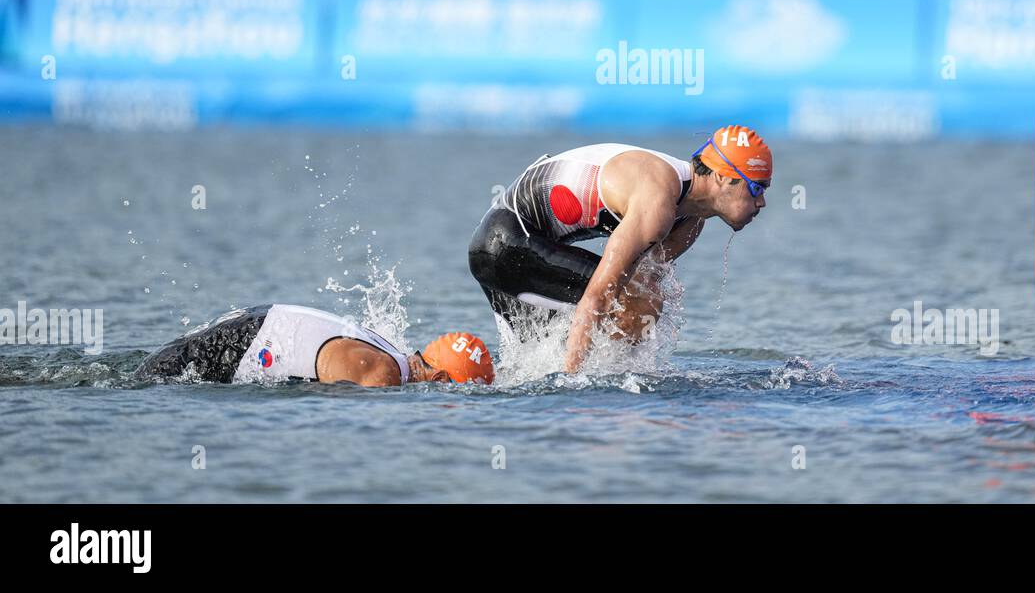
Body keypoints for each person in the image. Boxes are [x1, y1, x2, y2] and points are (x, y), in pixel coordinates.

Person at [468, 124, 772, 373]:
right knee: (636, 301)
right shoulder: (658, 199)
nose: (762, 203)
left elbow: (642, 280)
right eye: (756, 188)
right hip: (504, 246)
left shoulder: (691, 223)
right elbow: (600, 296)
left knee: (516, 372)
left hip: (527, 246)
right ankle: (590, 384)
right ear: (721, 176)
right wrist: (572, 388)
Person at [136, 303, 494, 386]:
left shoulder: (389, 353)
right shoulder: (382, 372)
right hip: (229, 348)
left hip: (241, 330)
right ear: (442, 379)